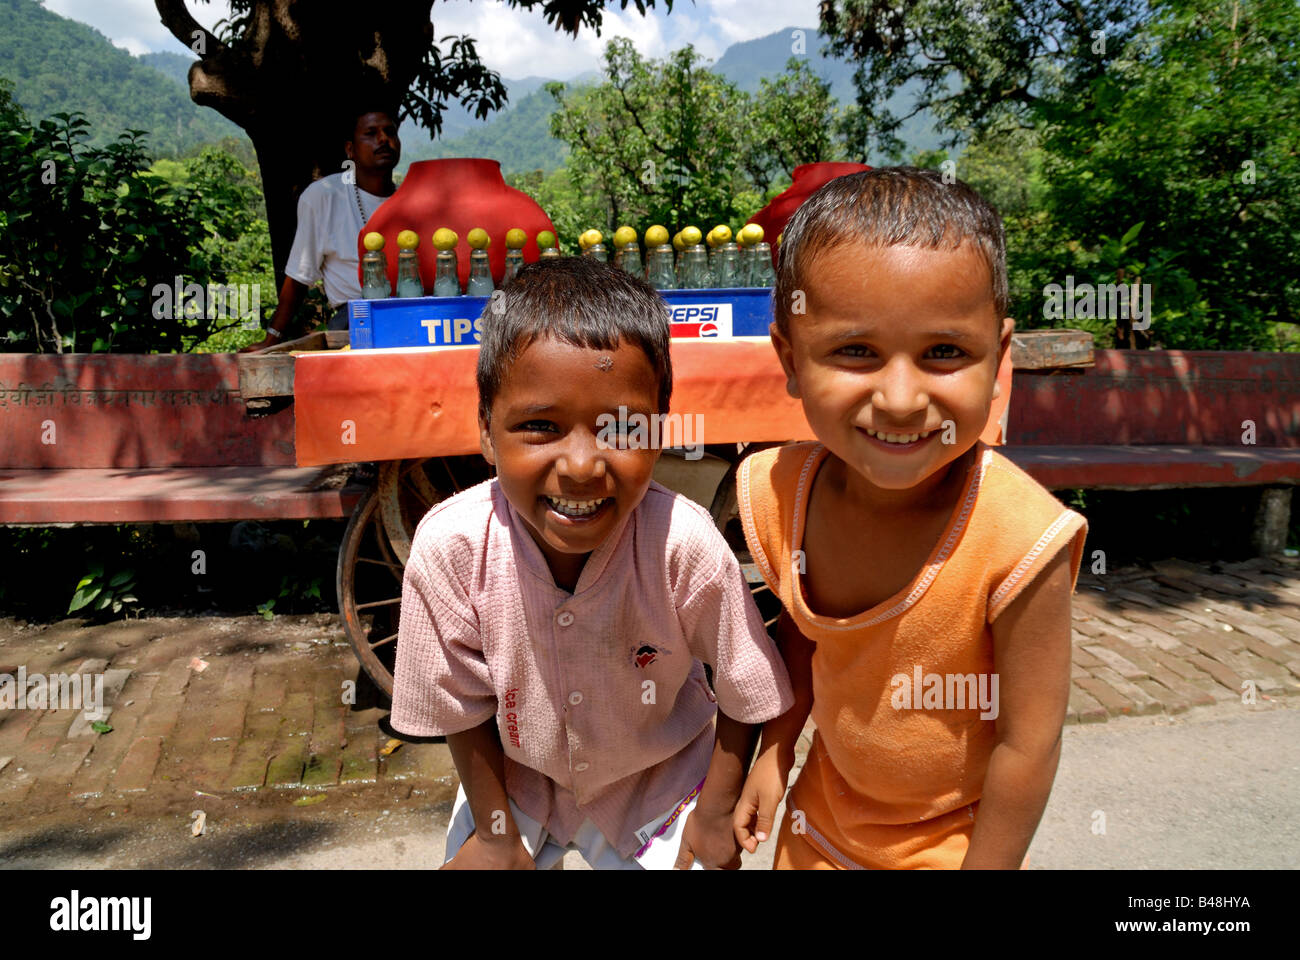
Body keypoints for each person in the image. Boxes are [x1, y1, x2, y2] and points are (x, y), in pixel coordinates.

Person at [731, 167, 1088, 869]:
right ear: (791, 359)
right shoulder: (781, 493)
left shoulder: (1019, 540)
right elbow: (807, 638)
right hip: (818, 825)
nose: (899, 398)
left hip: (952, 847)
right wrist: (774, 755)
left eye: (945, 353)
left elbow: (1030, 741)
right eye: (856, 351)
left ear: (1000, 358)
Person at [389, 257, 793, 869]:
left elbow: (747, 689)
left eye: (621, 428)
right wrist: (497, 836)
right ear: (487, 432)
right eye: (540, 426)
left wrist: (714, 812)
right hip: (516, 785)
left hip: (661, 783)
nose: (581, 465)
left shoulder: (683, 544)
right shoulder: (452, 547)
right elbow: (460, 710)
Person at [240, 105, 400, 352]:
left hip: (410, 317)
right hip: (354, 322)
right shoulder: (324, 196)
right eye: (371, 133)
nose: (383, 139)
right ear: (350, 149)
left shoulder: (413, 198)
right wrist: (271, 339)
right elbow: (298, 277)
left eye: (390, 132)